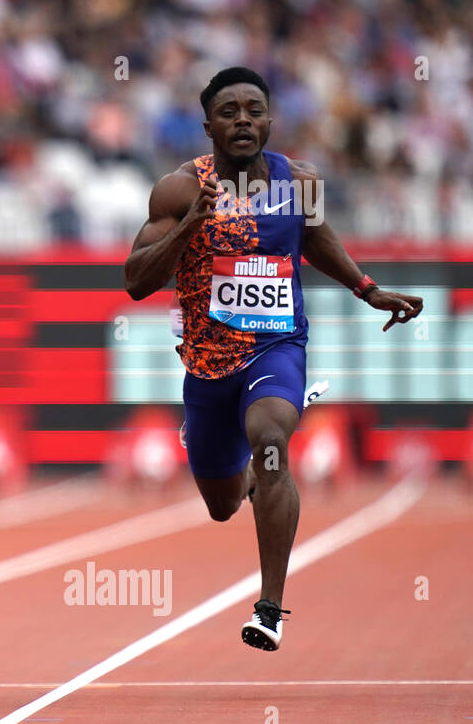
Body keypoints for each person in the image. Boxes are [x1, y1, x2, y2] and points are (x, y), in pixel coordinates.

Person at [124, 66, 422, 651]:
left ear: (269, 120)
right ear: (207, 123)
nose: (243, 120)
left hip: (277, 345)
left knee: (269, 442)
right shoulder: (180, 188)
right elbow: (135, 280)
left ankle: (269, 607)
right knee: (221, 504)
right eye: (229, 111)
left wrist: (368, 288)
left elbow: (314, 236)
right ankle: (243, 471)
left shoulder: (298, 180)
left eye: (254, 110)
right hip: (208, 364)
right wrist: (192, 225)